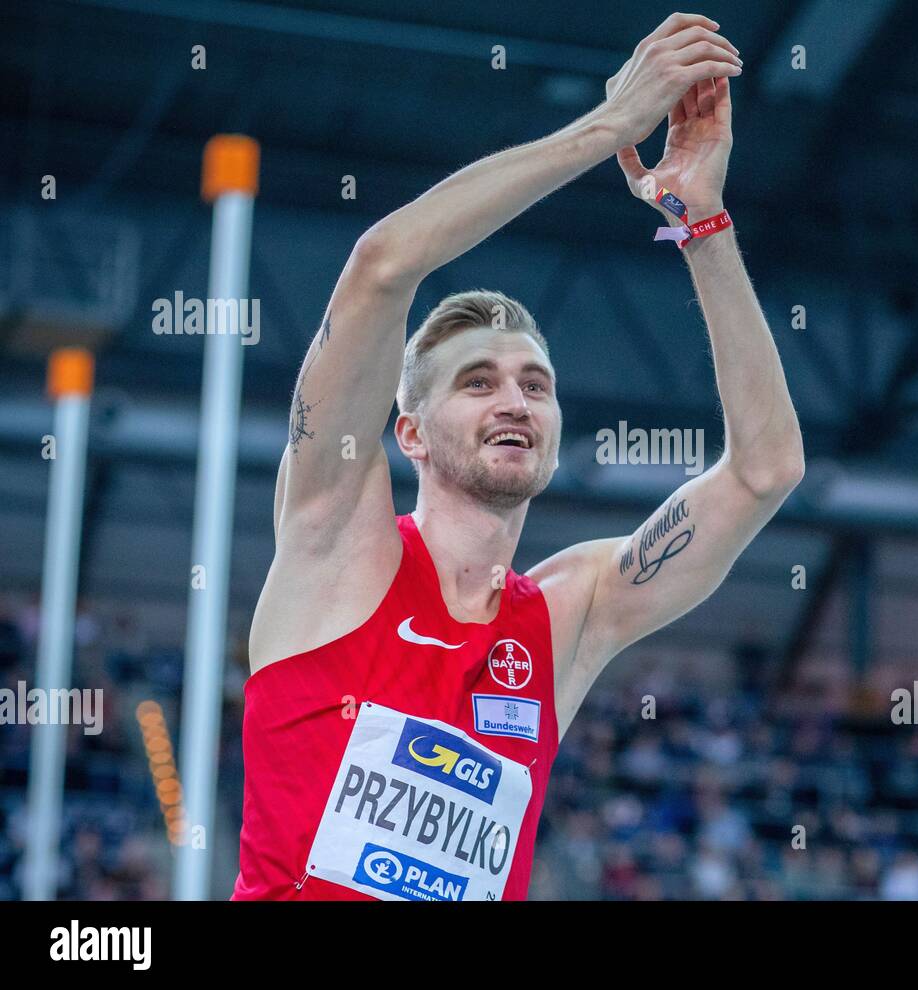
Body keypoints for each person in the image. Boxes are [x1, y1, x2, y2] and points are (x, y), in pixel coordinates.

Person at [232, 11, 803, 902]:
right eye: (479, 382)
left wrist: (703, 221)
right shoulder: (335, 538)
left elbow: (764, 472)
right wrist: (607, 130)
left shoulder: (570, 616)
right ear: (409, 431)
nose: (515, 401)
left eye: (536, 385)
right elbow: (382, 265)